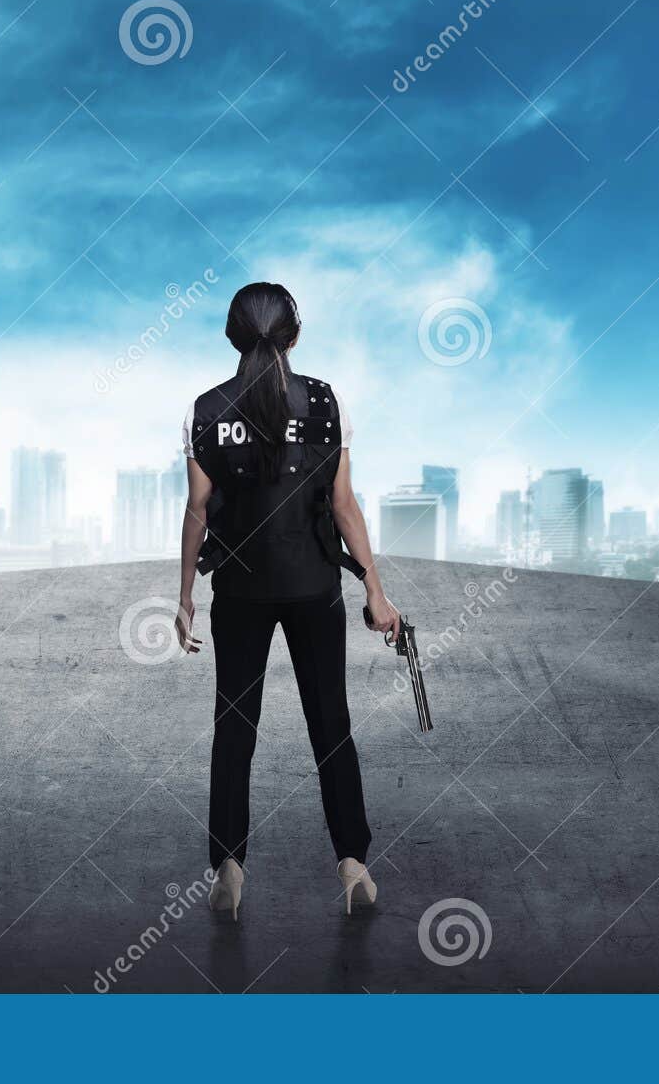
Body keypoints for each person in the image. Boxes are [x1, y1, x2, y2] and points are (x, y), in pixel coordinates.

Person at [175, 281, 399, 918]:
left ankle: (228, 868)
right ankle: (353, 865)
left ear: (231, 335)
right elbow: (343, 505)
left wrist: (186, 597)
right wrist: (376, 593)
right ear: (294, 336)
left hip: (241, 590)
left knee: (234, 727)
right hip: (314, 587)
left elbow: (197, 512)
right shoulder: (326, 402)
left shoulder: (204, 409)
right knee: (331, 726)